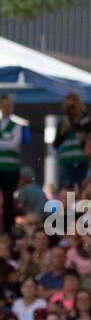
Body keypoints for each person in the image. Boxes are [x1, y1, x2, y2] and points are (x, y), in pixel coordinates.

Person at [0, 93, 26, 228]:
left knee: (8, 200)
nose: (6, 108)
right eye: (4, 106)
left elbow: (14, 144)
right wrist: (6, 142)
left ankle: (9, 228)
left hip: (11, 169)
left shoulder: (16, 126)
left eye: (8, 106)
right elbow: (9, 144)